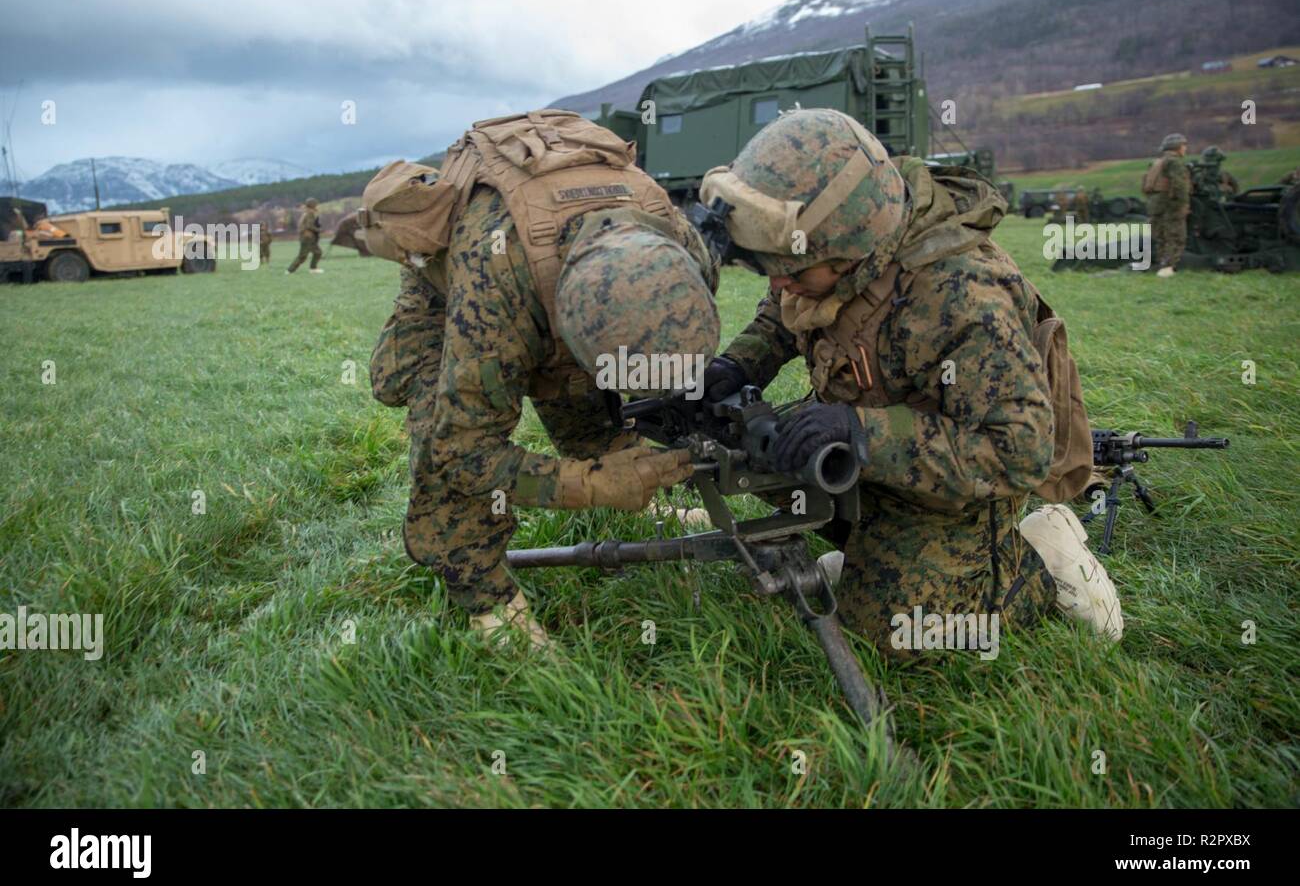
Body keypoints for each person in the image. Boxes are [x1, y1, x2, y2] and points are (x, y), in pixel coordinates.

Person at [692, 107, 1120, 657]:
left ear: (851, 249)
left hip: (965, 479)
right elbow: (785, 309)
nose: (779, 281)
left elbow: (1019, 451)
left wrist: (860, 433)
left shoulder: (962, 294)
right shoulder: (833, 250)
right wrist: (738, 365)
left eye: (793, 270)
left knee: (895, 635)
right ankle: (876, 550)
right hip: (883, 445)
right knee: (767, 459)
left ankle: (1038, 561)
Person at [362, 110, 721, 648]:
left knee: (583, 398)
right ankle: (489, 603)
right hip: (466, 285)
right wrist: (592, 486)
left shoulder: (682, 250)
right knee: (438, 429)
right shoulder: (494, 295)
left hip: (554, 274)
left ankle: (636, 477)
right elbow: (465, 451)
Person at [1142, 133, 1191, 277]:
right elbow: (1180, 185)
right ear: (1177, 147)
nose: (1185, 149)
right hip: (1169, 203)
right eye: (1183, 145)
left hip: (1154, 202)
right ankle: (1168, 267)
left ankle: (1162, 264)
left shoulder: (1157, 162)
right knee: (1175, 235)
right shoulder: (1174, 162)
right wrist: (1183, 204)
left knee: (1160, 235)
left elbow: (1145, 184)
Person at [287, 198, 322, 273]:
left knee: (317, 252)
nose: (317, 206)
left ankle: (313, 269)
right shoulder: (310, 213)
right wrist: (318, 230)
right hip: (307, 237)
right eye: (316, 204)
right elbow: (309, 225)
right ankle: (290, 270)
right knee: (303, 256)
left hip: (307, 236)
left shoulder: (307, 212)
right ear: (313, 205)